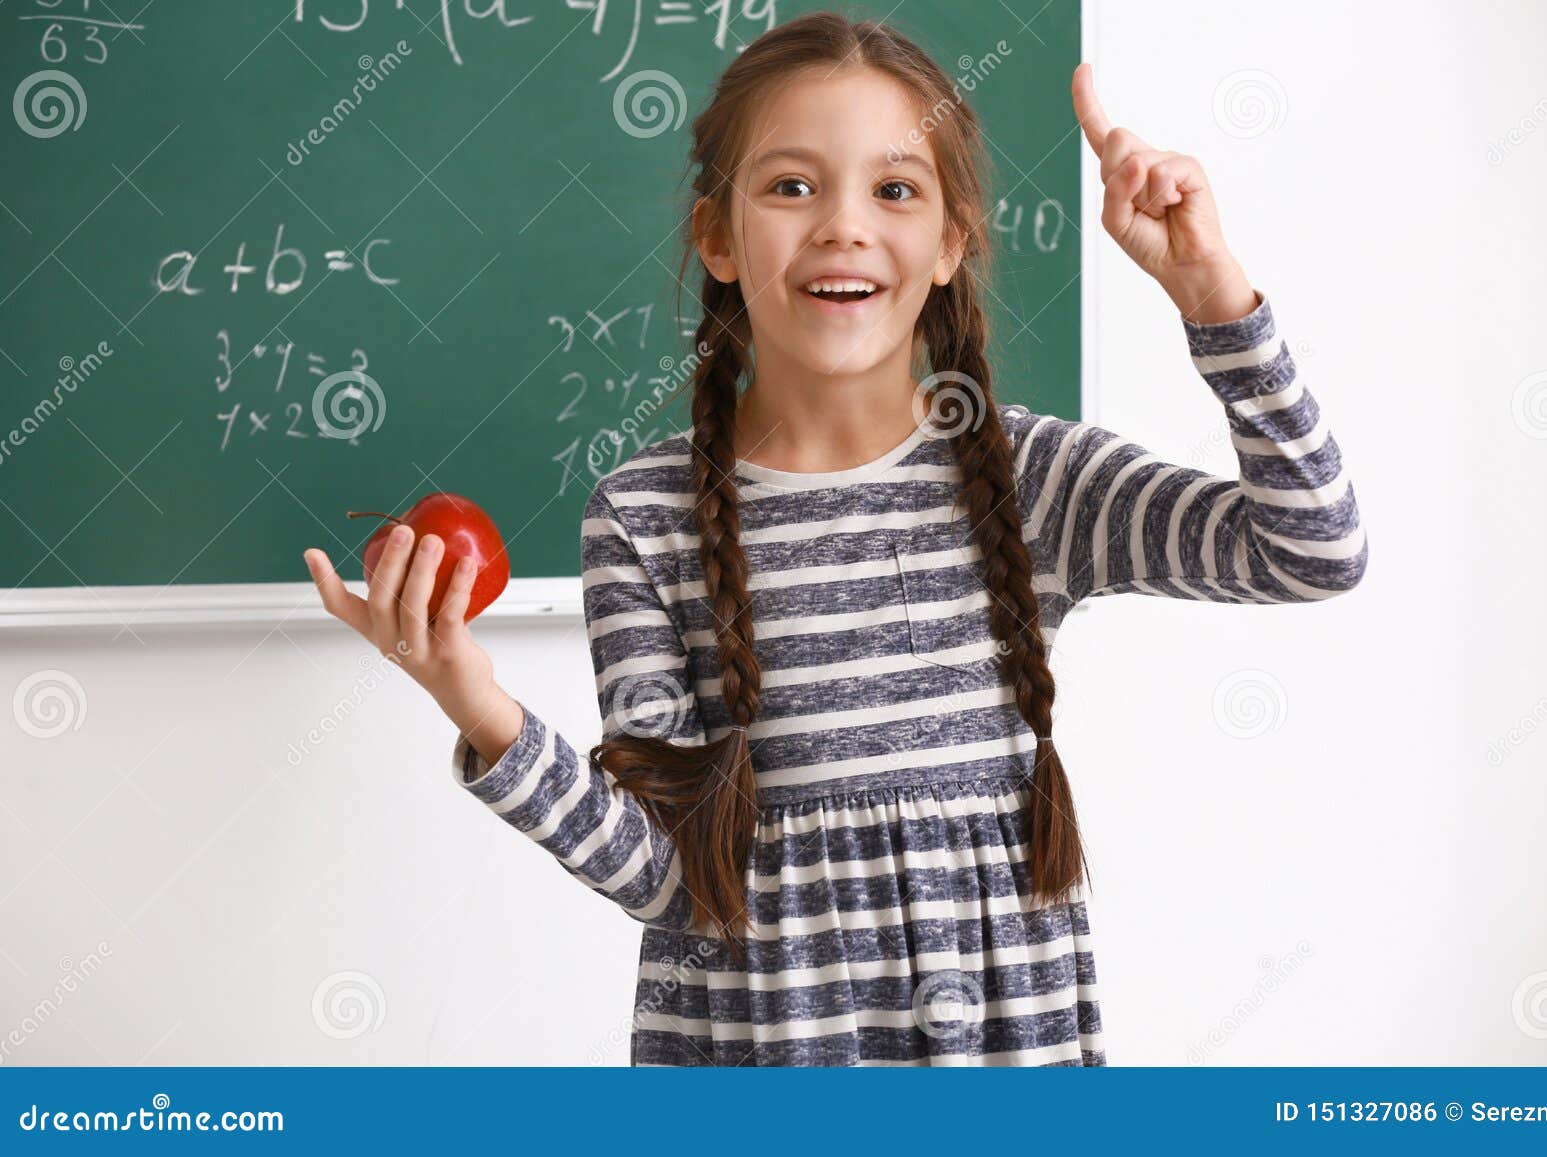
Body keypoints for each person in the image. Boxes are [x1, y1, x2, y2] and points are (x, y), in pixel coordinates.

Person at [303, 11, 1366, 1066]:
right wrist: (467, 694)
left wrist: (1213, 295)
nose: (844, 225)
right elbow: (663, 878)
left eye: (894, 189)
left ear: (950, 242)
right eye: (791, 185)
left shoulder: (1032, 477)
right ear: (716, 235)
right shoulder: (643, 515)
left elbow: (1310, 547)